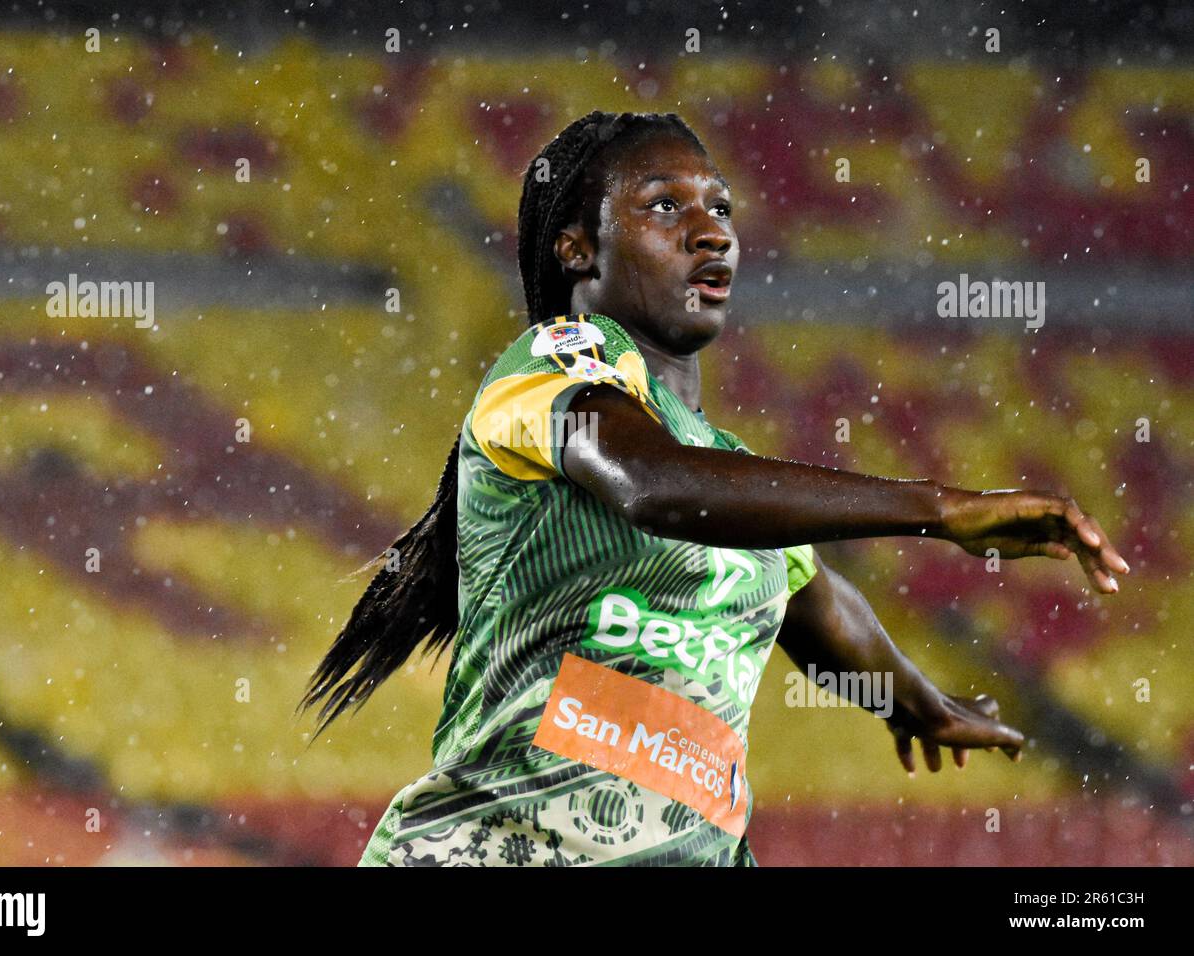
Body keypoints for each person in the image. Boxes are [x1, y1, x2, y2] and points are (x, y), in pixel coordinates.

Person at [302, 111, 1129, 867]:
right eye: (666, 208)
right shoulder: (551, 367)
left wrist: (916, 703)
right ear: (577, 248)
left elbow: (815, 601)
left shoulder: (717, 459)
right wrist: (943, 510)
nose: (711, 235)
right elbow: (651, 486)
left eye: (722, 210)